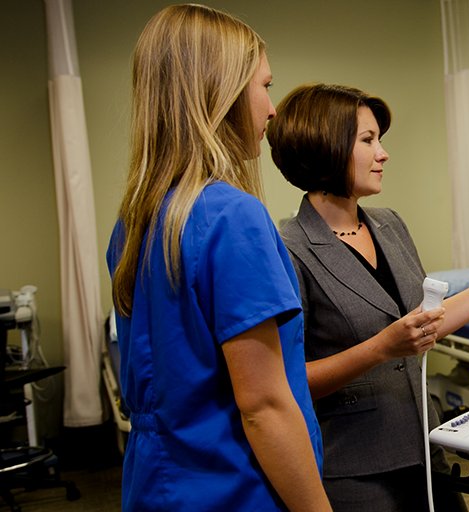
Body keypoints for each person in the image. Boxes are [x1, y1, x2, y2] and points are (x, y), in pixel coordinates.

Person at [106, 5, 330, 511]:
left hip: (157, 487)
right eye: (265, 86)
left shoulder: (135, 224)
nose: (273, 109)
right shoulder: (231, 218)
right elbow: (265, 407)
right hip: (235, 489)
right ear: (220, 94)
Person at [266, 83, 469, 511]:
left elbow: (426, 322)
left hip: (426, 449)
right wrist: (380, 348)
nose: (383, 153)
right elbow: (286, 382)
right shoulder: (288, 248)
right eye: (368, 141)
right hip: (355, 467)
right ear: (327, 148)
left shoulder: (389, 225)